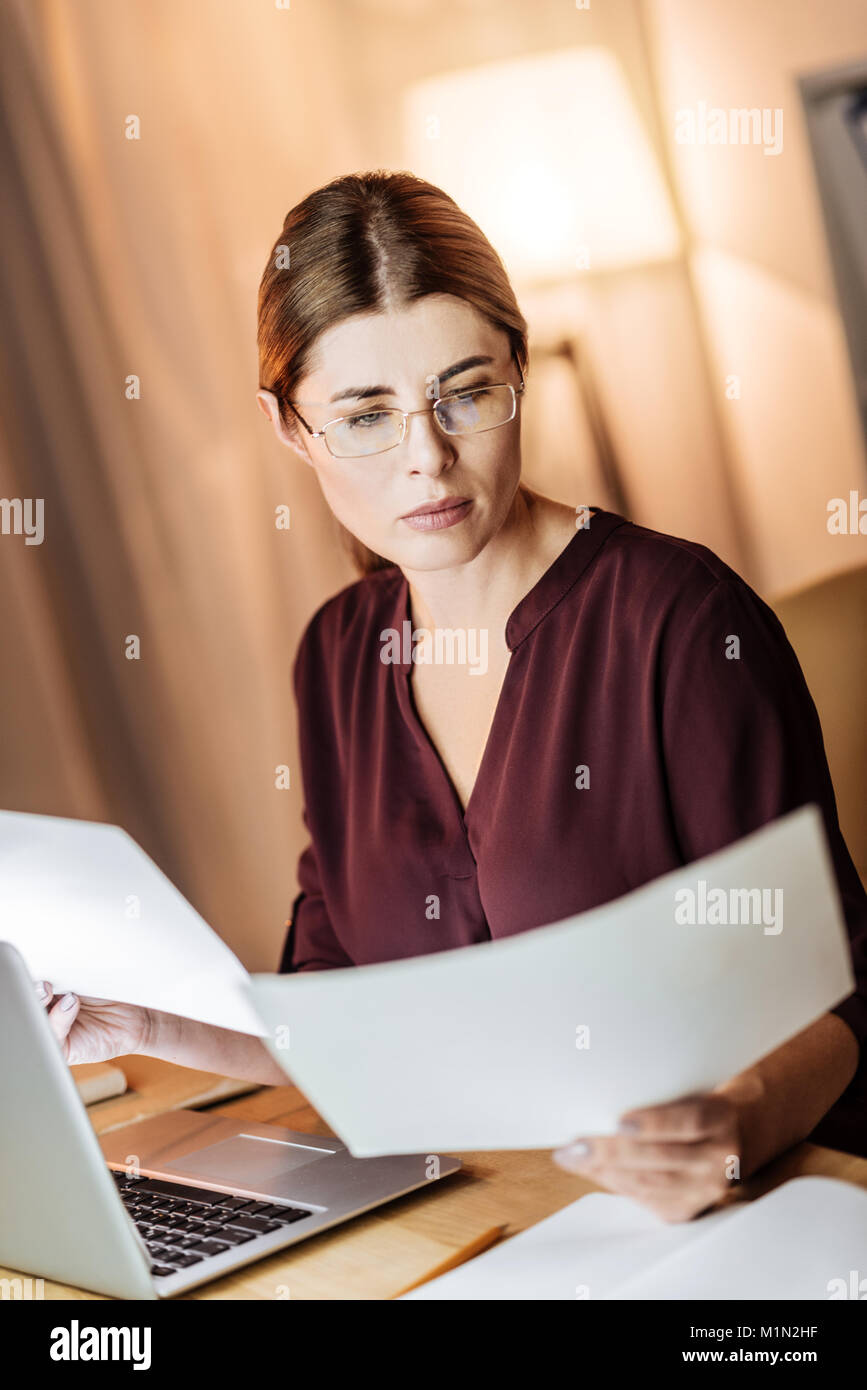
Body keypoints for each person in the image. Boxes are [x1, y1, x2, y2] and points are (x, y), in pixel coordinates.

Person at [38, 170, 867, 1224]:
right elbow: (345, 1013)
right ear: (291, 428)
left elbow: (840, 982)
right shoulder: (339, 659)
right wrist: (144, 1022)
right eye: (366, 414)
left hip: (719, 1225)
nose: (428, 459)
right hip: (483, 1222)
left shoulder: (681, 619)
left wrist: (738, 1122)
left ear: (520, 368)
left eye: (465, 393)